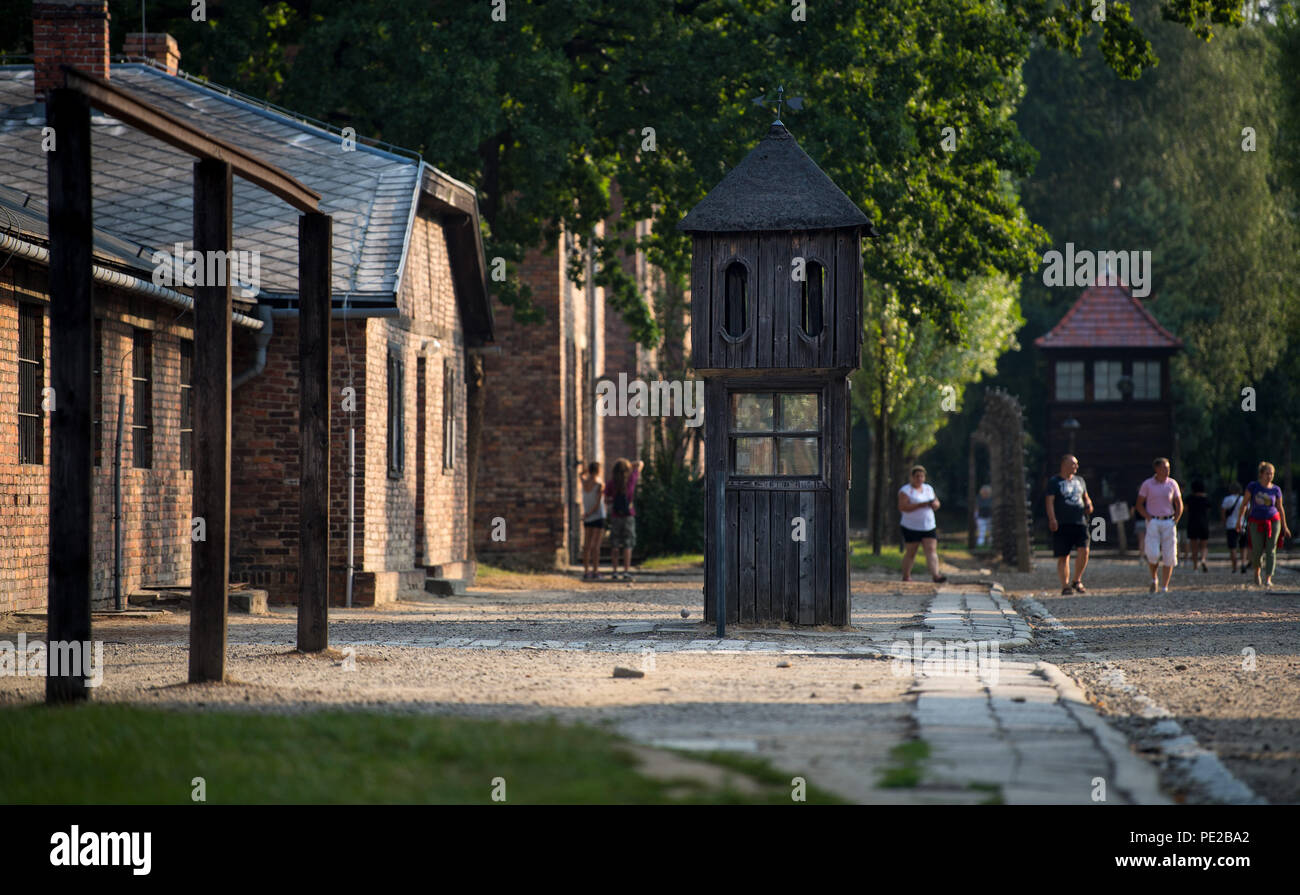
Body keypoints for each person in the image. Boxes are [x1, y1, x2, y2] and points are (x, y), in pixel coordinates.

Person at [1237, 461, 1291, 588]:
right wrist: (1239, 521)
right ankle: (1257, 572)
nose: (1270, 476)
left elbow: (1280, 507)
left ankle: (1268, 577)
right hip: (1256, 521)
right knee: (1257, 549)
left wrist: (1285, 525)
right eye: (1267, 473)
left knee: (1271, 549)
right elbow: (1244, 504)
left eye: (1272, 474)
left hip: (1273, 520)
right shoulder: (1253, 486)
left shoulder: (1276, 489)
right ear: (1261, 474)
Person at [1045, 454, 1093, 595]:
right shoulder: (1054, 482)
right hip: (1063, 523)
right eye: (1073, 464)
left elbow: (1086, 497)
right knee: (1063, 555)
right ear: (1064, 465)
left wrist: (1089, 505)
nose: (1076, 466)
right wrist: (1052, 519)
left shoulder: (1080, 481)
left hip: (1080, 521)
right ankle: (1065, 585)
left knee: (1084, 550)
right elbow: (1049, 502)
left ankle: (1077, 580)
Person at [1136, 457, 1182, 593]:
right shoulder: (1147, 484)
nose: (1167, 470)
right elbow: (1139, 503)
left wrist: (1176, 518)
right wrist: (1148, 517)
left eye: (1168, 467)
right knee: (1153, 553)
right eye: (1164, 467)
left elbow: (1179, 503)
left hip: (1169, 520)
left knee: (1170, 554)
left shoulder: (1172, 484)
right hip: (1154, 521)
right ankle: (1154, 578)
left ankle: (1164, 586)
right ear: (1156, 469)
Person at [897, 465, 948, 583]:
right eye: (917, 476)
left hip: (928, 525)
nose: (919, 479)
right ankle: (906, 575)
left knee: (931, 550)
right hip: (911, 526)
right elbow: (902, 507)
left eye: (921, 476)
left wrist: (935, 505)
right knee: (911, 551)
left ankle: (936, 575)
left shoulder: (928, 489)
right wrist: (921, 504)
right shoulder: (905, 490)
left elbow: (936, 502)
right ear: (912, 477)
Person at [605, 458, 644, 581]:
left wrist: (613, 500)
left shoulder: (612, 483)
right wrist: (630, 465)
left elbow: (606, 499)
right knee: (628, 543)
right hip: (628, 515)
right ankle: (626, 571)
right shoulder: (631, 480)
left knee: (615, 543)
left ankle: (615, 571)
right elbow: (640, 464)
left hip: (616, 516)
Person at [577, 461, 606, 580]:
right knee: (596, 546)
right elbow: (598, 504)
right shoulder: (599, 484)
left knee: (587, 545)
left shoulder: (584, 483)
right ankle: (595, 571)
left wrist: (585, 470)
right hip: (598, 517)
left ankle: (586, 571)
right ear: (599, 470)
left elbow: (580, 474)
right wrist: (590, 513)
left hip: (587, 517)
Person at [1184, 479, 1211, 573]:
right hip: (1203, 523)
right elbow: (1209, 510)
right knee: (1204, 546)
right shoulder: (1206, 498)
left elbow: (1186, 510)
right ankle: (1203, 559)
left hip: (1192, 523)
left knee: (1194, 547)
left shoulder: (1189, 498)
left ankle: (1195, 567)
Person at [1221, 482, 1248, 573]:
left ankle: (1235, 566)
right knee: (1243, 546)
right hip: (1243, 524)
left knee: (1232, 547)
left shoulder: (1227, 499)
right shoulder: (1243, 499)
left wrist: (1224, 522)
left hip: (1231, 525)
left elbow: (1223, 512)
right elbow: (1248, 511)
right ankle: (1243, 563)